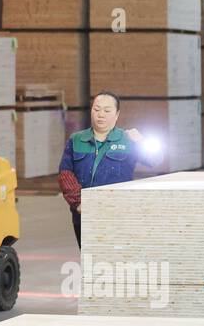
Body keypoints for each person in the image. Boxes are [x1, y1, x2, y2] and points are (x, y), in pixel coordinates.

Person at [57, 91, 153, 248]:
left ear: (117, 114)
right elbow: (65, 174)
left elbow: (154, 160)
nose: (100, 115)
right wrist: (79, 202)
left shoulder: (128, 140)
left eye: (107, 111)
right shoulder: (76, 140)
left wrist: (141, 142)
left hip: (118, 215)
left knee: (117, 263)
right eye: (96, 109)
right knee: (90, 263)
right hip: (84, 215)